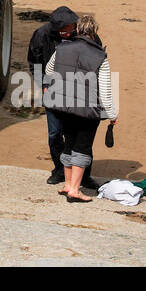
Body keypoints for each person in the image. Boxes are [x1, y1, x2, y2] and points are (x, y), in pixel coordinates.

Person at [44, 14, 118, 203]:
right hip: (87, 110)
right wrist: (112, 114)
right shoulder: (100, 56)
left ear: (77, 30)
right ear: (94, 32)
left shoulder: (61, 48)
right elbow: (106, 89)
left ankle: (68, 184)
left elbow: (49, 70)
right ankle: (75, 190)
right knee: (82, 147)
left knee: (68, 144)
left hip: (64, 106)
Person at [27, 5, 80, 185]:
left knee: (77, 134)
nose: (72, 30)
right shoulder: (41, 35)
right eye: (68, 29)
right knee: (55, 133)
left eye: (73, 27)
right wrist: (43, 85)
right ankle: (59, 170)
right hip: (52, 90)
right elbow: (34, 62)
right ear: (59, 28)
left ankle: (83, 174)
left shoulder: (79, 34)